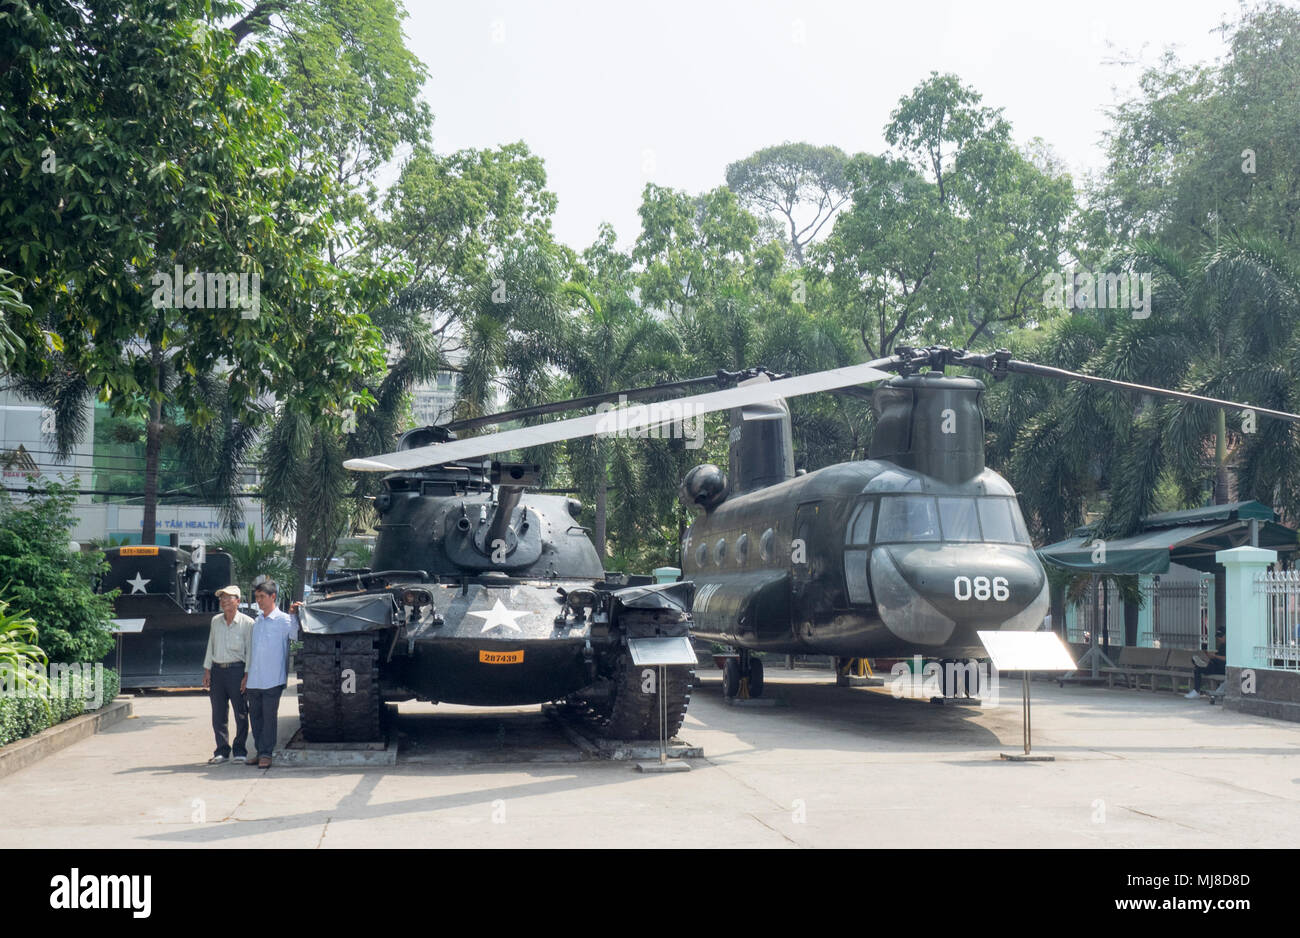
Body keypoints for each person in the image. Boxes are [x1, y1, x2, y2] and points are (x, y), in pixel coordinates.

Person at [244, 580, 300, 767]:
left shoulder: (283, 619)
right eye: (257, 597)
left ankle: (267, 753)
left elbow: (295, 636)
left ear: (273, 596)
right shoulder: (257, 621)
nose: (259, 600)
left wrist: (294, 615)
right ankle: (260, 752)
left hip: (272, 679)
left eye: (262, 596)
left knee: (269, 718)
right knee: (256, 719)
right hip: (254, 679)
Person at [203, 585, 254, 765]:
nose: (224, 601)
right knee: (218, 713)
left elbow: (250, 652)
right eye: (222, 598)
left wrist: (247, 675)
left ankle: (240, 750)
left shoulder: (248, 623)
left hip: (237, 670)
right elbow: (211, 645)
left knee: (240, 712)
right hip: (217, 670)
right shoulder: (216, 621)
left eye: (228, 598)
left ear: (238, 601)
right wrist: (207, 669)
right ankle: (222, 751)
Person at [1186, 626, 1227, 699]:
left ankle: (1204, 664)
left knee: (1210, 663)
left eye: (1221, 636)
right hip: (1215, 666)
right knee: (1197, 669)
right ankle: (1196, 691)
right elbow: (1216, 656)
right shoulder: (1222, 645)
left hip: (1224, 669)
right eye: (1218, 637)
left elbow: (1228, 659)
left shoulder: (1231, 646)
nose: (1219, 638)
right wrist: (1207, 653)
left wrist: (1215, 656)